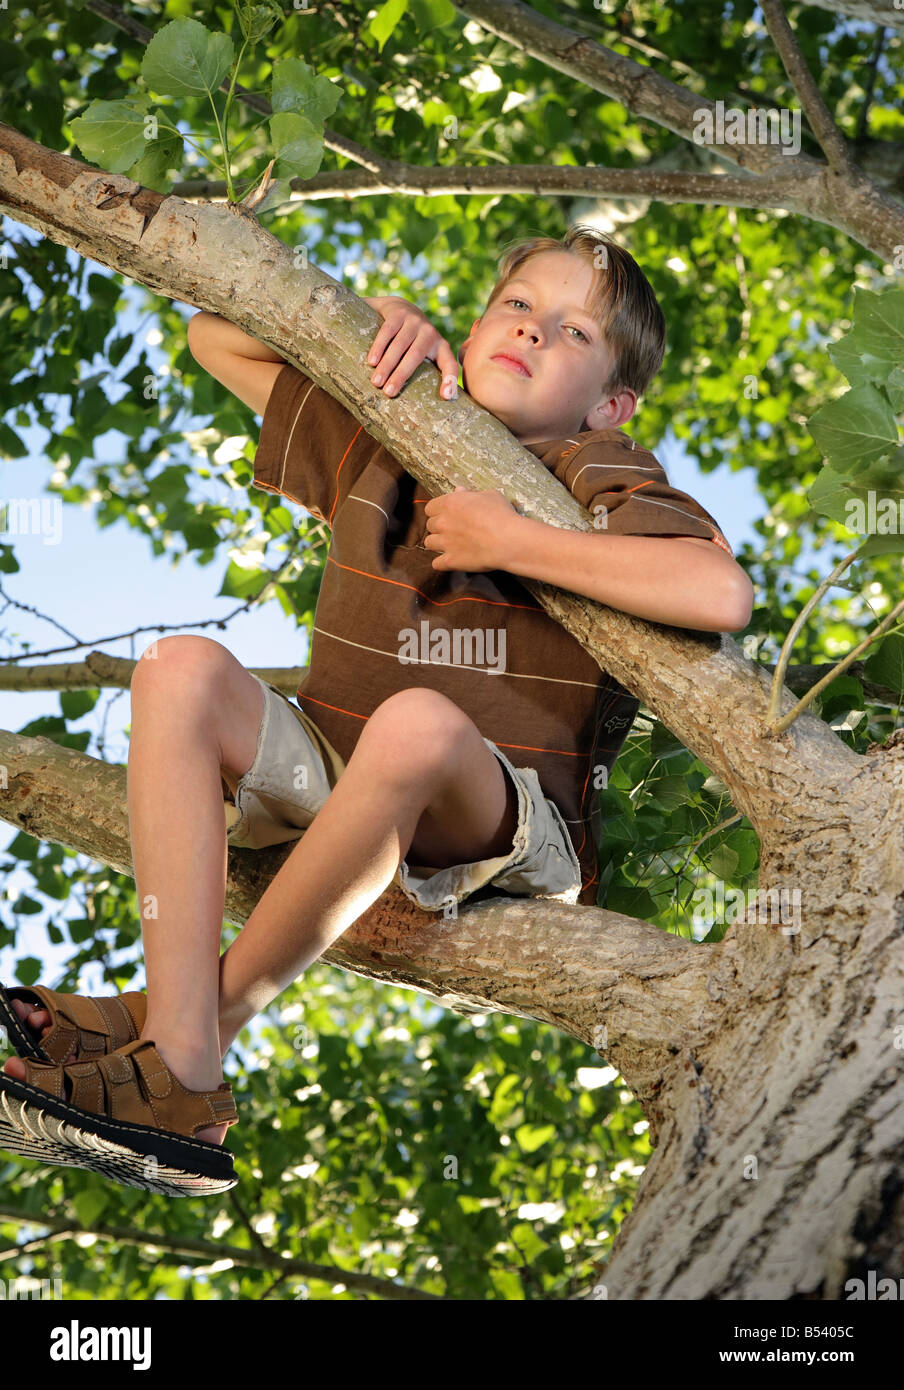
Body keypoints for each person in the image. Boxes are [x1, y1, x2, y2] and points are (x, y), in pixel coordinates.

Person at [0, 226, 753, 1196]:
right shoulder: (389, 433)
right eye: (517, 305)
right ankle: (170, 1031)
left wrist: (515, 539)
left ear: (610, 403)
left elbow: (715, 593)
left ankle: (179, 1047)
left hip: (504, 822)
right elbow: (211, 337)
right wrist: (371, 330)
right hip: (337, 769)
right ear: (477, 325)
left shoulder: (593, 468)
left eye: (572, 331)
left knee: (415, 721)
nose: (531, 330)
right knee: (178, 667)